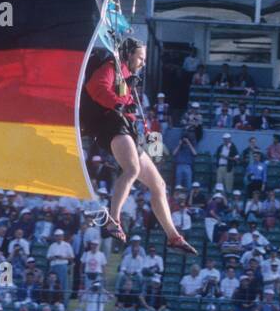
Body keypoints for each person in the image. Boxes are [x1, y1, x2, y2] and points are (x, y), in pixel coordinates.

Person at [79, 38, 196, 255]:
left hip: (130, 130)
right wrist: (120, 103)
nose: (142, 63)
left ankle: (173, 236)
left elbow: (133, 111)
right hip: (112, 126)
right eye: (140, 58)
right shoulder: (111, 66)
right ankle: (113, 219)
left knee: (159, 185)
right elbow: (95, 88)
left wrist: (149, 135)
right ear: (129, 54)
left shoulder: (128, 77)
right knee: (132, 170)